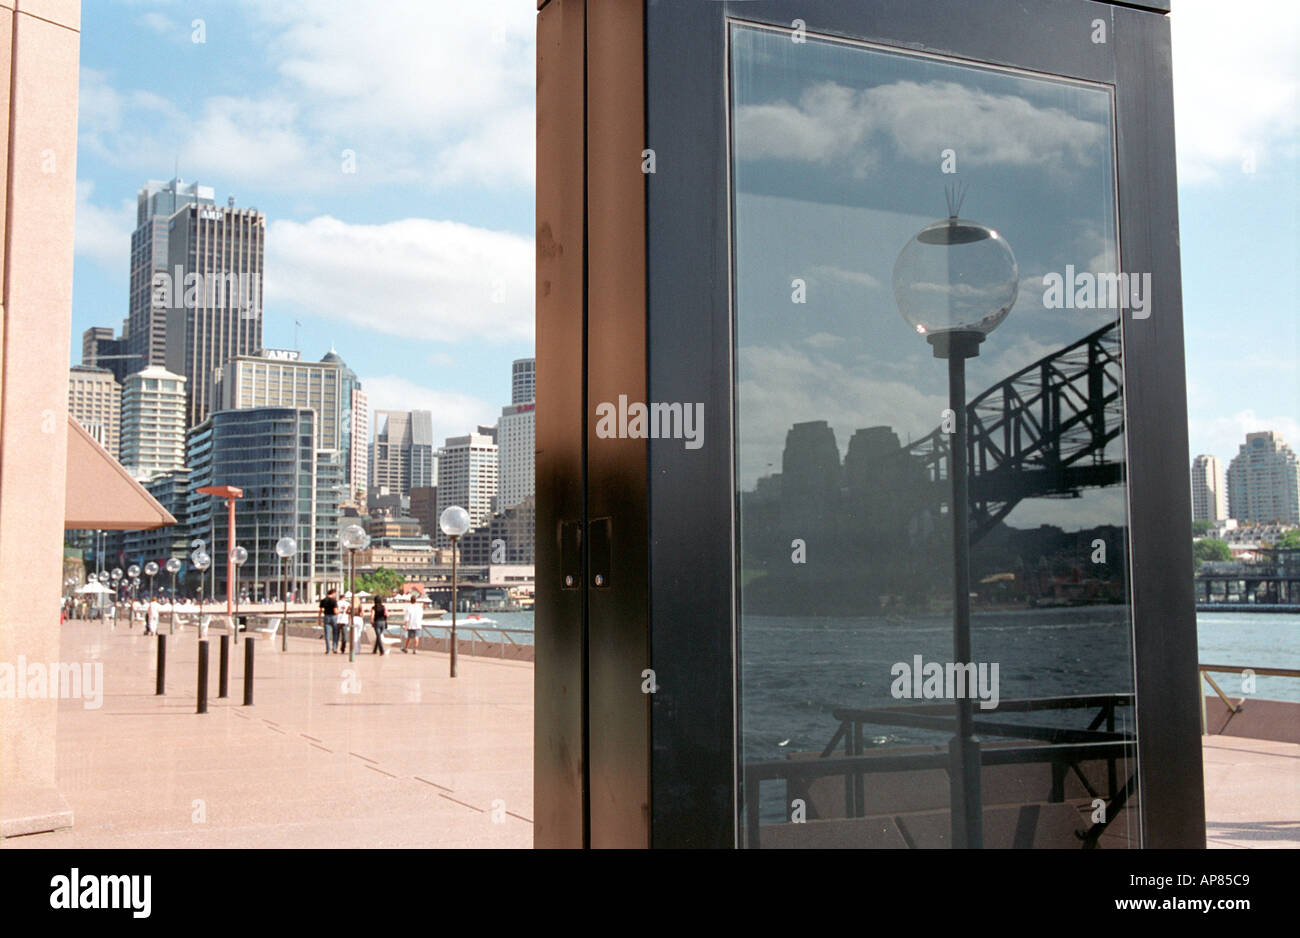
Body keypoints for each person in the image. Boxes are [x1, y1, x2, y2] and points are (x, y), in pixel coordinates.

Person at [318, 589, 339, 653]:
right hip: (333, 617)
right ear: (333, 593)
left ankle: (328, 649)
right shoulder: (334, 600)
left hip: (326, 616)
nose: (335, 595)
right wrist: (339, 612)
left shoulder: (323, 600)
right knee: (335, 633)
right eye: (335, 594)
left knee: (327, 634)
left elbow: (320, 611)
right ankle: (334, 648)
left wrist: (319, 619)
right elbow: (335, 611)